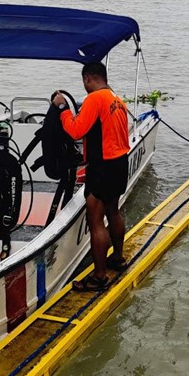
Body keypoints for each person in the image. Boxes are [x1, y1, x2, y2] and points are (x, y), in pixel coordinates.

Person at [51, 61, 131, 292]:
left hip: (102, 166)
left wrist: (62, 109)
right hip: (120, 161)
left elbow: (76, 130)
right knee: (113, 211)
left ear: (87, 78)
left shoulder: (94, 99)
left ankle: (99, 276)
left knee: (95, 220)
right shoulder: (117, 100)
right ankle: (117, 257)